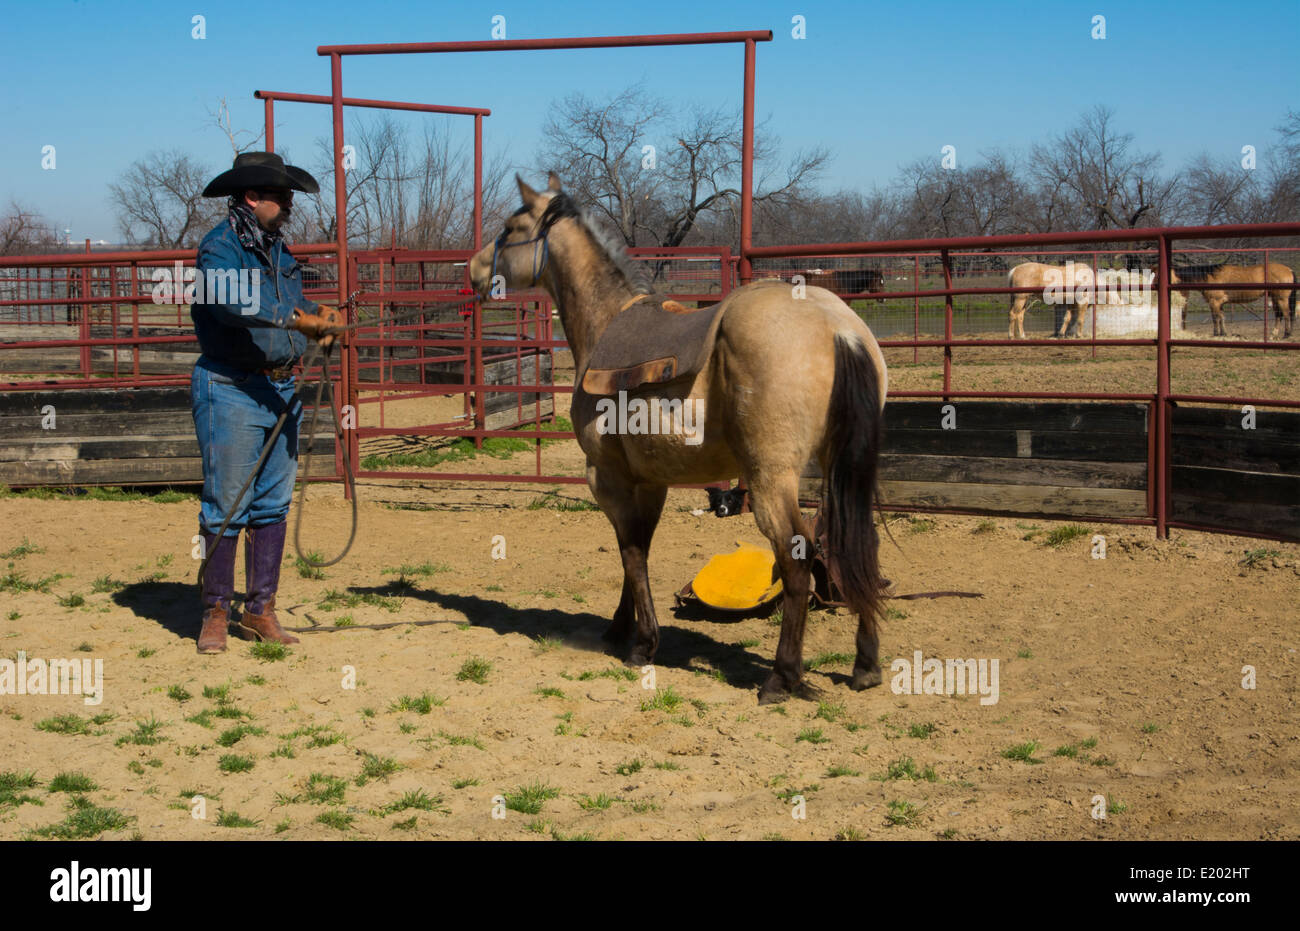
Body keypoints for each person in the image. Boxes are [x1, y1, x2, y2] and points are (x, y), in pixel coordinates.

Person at [191, 151, 343, 654]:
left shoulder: (278, 249)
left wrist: (318, 316)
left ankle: (260, 609)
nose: (290, 202)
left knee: (272, 502)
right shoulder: (219, 248)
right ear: (253, 197)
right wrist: (296, 318)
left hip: (279, 387)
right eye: (281, 194)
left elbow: (289, 307)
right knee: (226, 504)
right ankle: (215, 609)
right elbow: (232, 304)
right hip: (231, 387)